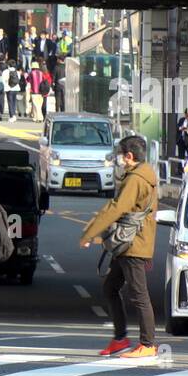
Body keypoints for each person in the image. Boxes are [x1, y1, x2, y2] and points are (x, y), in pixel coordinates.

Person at [80, 136, 158, 359]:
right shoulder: (145, 175)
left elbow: (116, 208)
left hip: (133, 244)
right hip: (131, 242)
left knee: (139, 294)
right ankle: (120, 338)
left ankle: (148, 343)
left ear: (130, 156)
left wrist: (90, 233)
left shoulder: (136, 179)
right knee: (110, 288)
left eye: (120, 154)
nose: (118, 158)